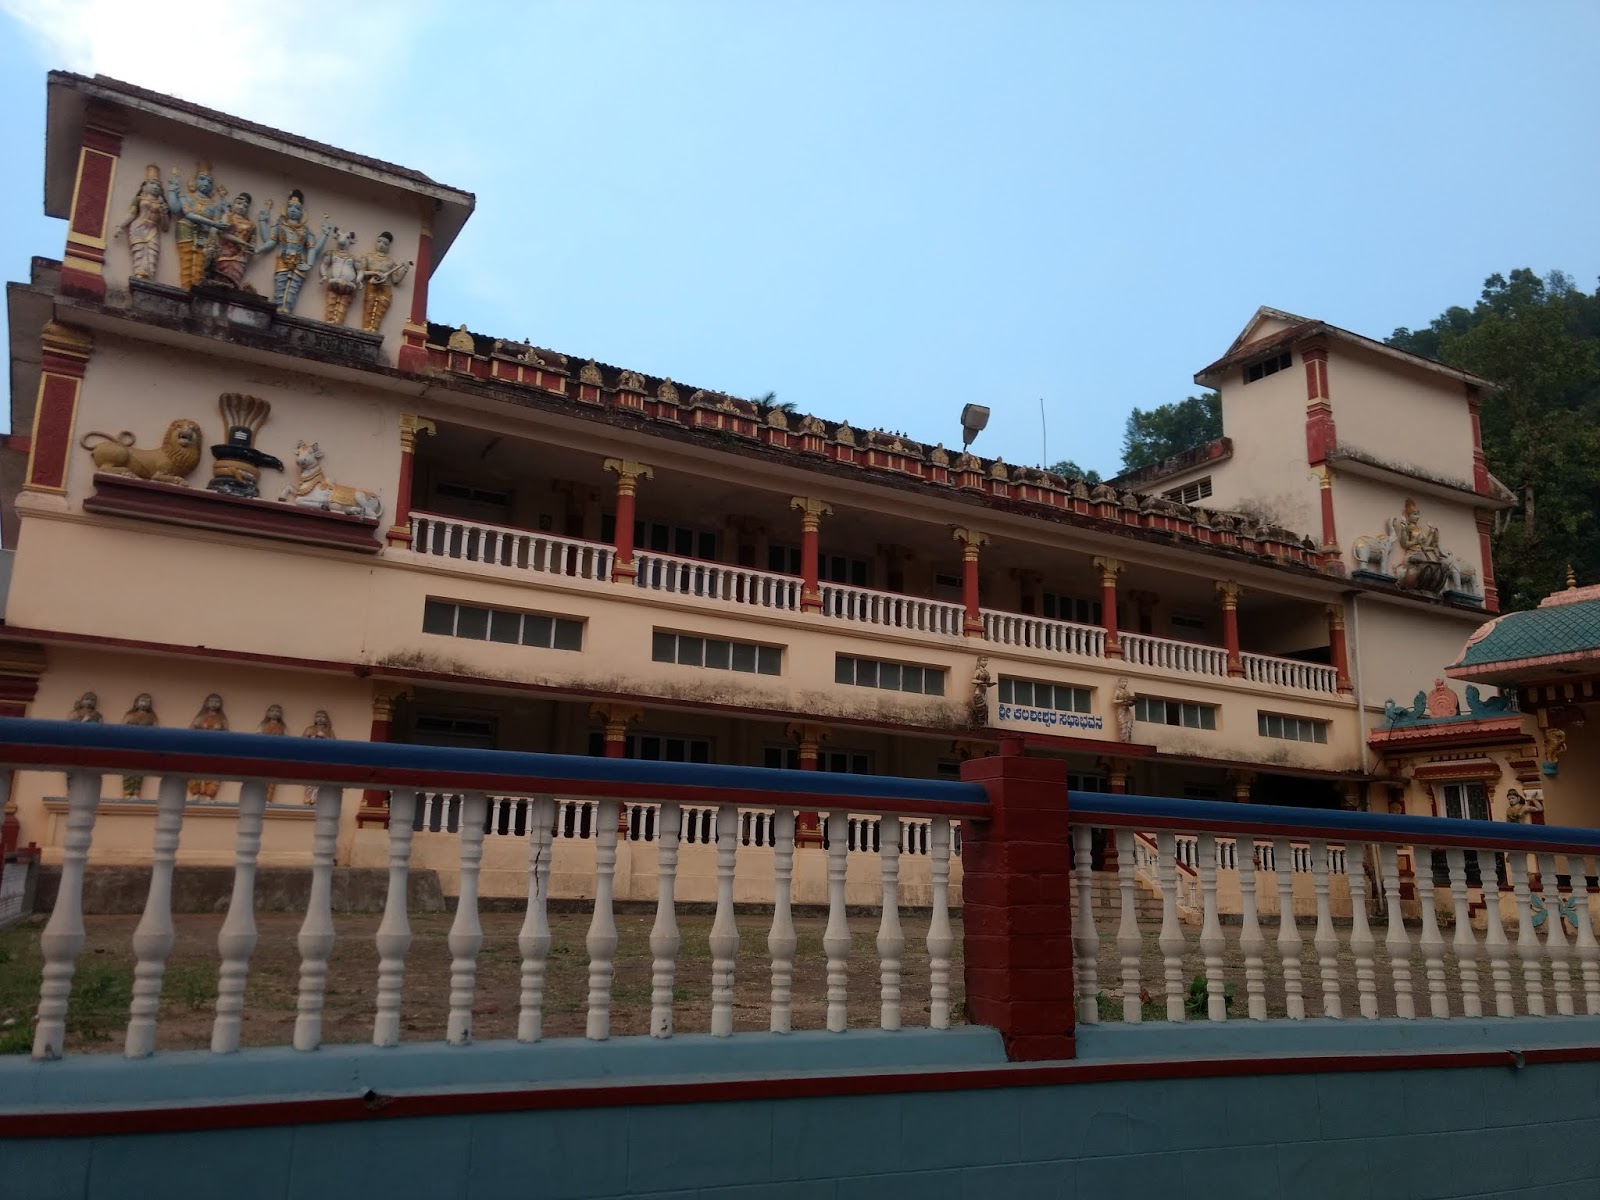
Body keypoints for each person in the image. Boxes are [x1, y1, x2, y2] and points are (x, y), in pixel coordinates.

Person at [257, 190, 332, 313]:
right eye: (290, 207)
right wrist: (262, 223)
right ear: (286, 209)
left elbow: (313, 249)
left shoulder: (305, 231)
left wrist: (325, 235)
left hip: (299, 264)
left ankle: (287, 310)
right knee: (280, 290)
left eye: (297, 208)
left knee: (292, 292)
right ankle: (279, 309)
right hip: (282, 262)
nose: (293, 210)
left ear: (301, 212)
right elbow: (269, 241)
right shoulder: (280, 226)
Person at [165, 161, 229, 289]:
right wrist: (172, 190)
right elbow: (177, 210)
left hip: (204, 236)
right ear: (195, 180)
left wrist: (222, 213)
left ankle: (195, 290)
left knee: (200, 267)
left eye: (209, 182)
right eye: (202, 179)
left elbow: (217, 225)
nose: (206, 184)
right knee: (186, 263)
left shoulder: (213, 204)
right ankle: (185, 289)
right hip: (186, 230)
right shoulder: (187, 197)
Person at [114, 165, 169, 281]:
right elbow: (132, 214)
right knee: (139, 252)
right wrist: (121, 225)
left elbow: (165, 227)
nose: (155, 187)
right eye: (152, 184)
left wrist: (164, 214)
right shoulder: (139, 199)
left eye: (158, 185)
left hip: (153, 230)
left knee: (152, 254)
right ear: (145, 186)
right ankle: (139, 275)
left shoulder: (162, 204)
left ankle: (150, 278)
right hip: (138, 228)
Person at [357, 231, 412, 332]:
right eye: (379, 242)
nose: (381, 245)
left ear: (388, 246)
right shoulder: (368, 257)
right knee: (369, 307)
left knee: (379, 311)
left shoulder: (390, 262)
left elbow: (395, 280)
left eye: (385, 243)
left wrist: (405, 269)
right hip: (372, 285)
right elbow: (361, 272)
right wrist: (374, 272)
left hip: (385, 288)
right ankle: (366, 329)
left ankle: (374, 329)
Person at [188, 693, 229, 800]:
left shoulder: (222, 719)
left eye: (217, 701)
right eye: (212, 701)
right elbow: (191, 733)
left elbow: (227, 736)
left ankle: (209, 793)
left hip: (215, 750)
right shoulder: (200, 718)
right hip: (199, 749)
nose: (214, 703)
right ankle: (196, 792)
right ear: (206, 703)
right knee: (197, 770)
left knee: (212, 771)